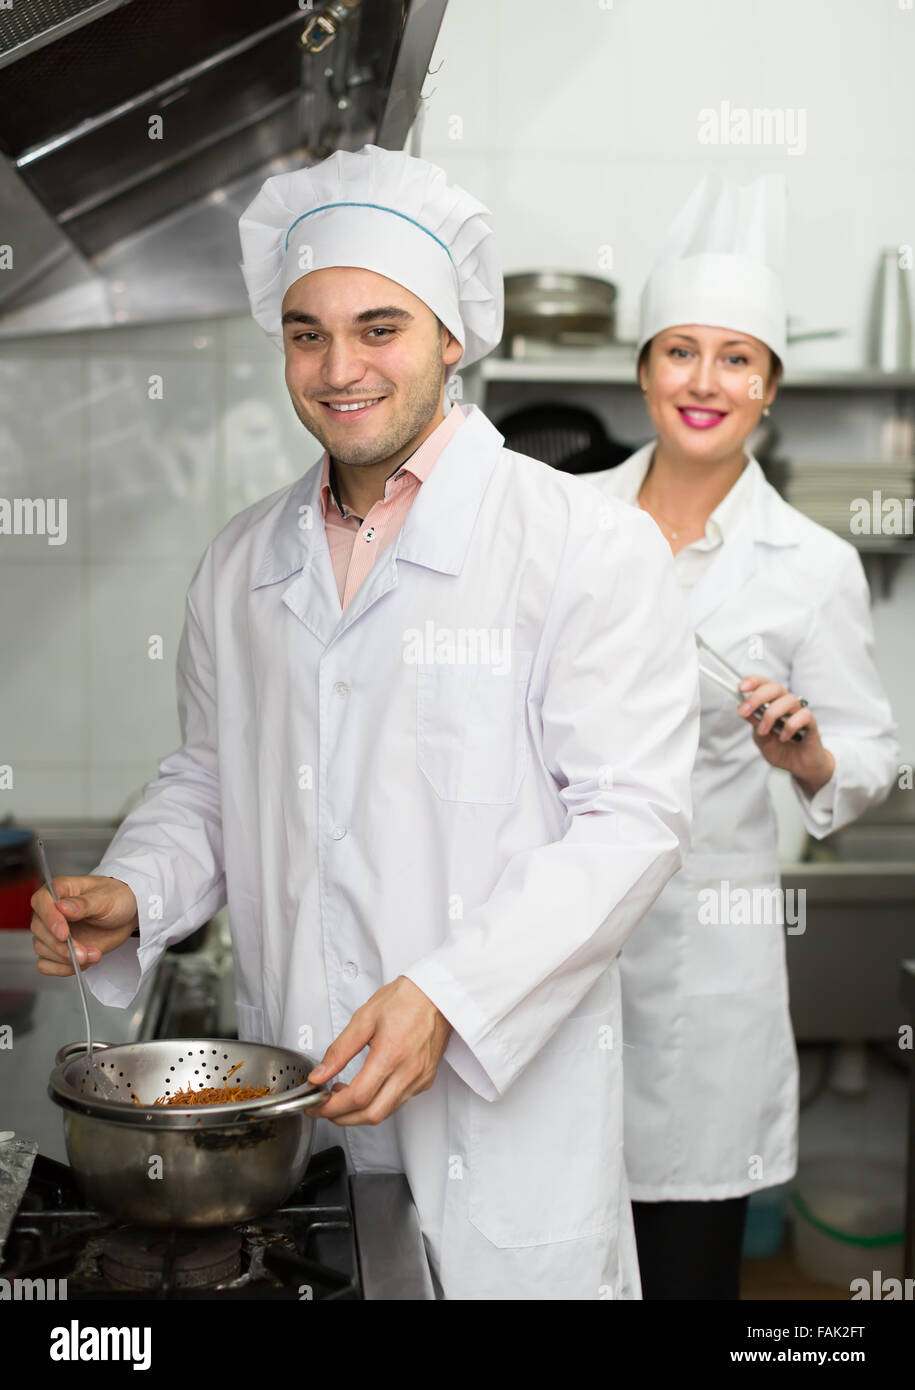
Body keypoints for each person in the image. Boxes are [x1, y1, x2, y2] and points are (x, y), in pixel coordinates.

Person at [29, 145, 700, 1300]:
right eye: (306, 331)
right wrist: (138, 884)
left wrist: (450, 994)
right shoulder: (240, 560)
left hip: (502, 1123)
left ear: (452, 336)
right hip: (296, 1122)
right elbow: (206, 776)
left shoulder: (581, 543)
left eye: (379, 327)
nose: (339, 367)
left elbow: (632, 822)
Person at [590, 172, 900, 1300]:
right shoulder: (572, 528)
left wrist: (807, 754)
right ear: (643, 370)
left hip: (697, 981)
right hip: (558, 959)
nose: (705, 380)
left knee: (681, 1269)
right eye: (681, 351)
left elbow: (869, 755)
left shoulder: (810, 565)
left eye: (737, 358)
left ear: (769, 387)